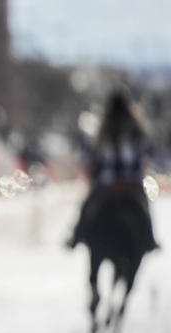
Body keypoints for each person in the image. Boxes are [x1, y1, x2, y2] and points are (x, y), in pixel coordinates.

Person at [67, 89, 157, 252]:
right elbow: (145, 154)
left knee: (88, 206)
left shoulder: (103, 129)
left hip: (107, 183)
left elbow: (95, 157)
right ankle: (150, 240)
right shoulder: (136, 130)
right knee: (144, 209)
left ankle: (77, 235)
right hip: (132, 184)